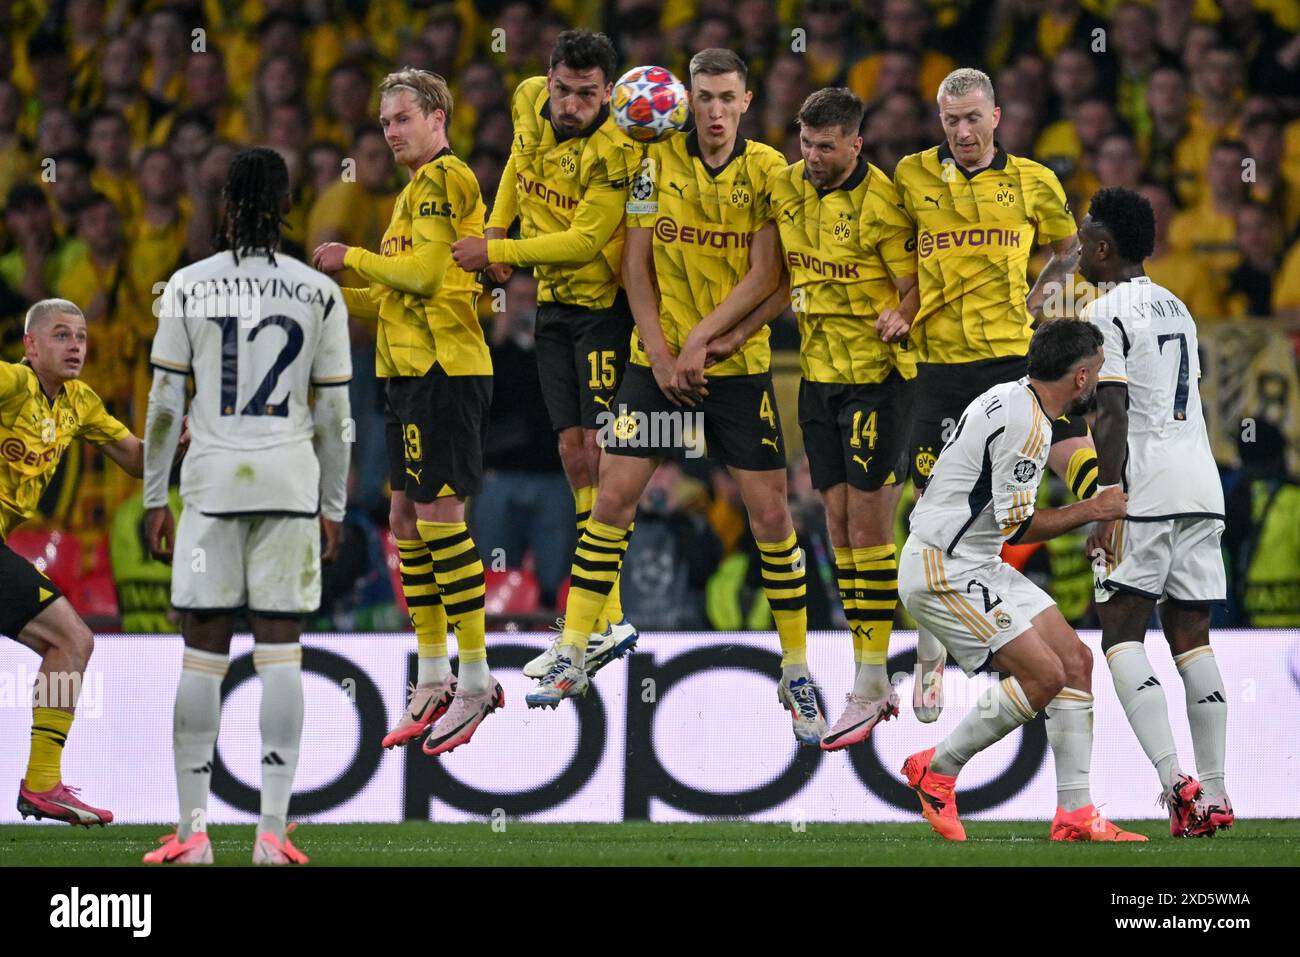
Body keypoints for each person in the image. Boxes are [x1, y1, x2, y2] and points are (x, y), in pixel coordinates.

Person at [526, 49, 827, 746]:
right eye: (705, 97)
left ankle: (796, 665)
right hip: (656, 365)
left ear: (747, 100)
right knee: (611, 496)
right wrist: (662, 353)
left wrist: (704, 348)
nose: (716, 110)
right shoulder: (651, 164)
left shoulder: (767, 175)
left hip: (738, 368)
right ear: (685, 100)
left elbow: (767, 276)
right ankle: (575, 646)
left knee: (772, 518)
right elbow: (636, 266)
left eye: (728, 97)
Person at [142, 147, 352, 865]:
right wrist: (333, 505)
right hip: (290, 484)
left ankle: (194, 831)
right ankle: (270, 832)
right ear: (289, 204)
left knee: (202, 653)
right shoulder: (319, 291)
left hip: (209, 486)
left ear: (226, 203)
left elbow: (167, 404)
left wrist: (152, 494)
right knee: (279, 649)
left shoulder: (187, 287)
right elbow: (335, 417)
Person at [888, 67, 1099, 723]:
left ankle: (1117, 548)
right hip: (943, 364)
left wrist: (1041, 298)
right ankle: (930, 651)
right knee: (934, 514)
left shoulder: (1034, 180)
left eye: (974, 117)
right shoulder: (911, 176)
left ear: (997, 116)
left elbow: (1071, 248)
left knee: (1075, 449)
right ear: (940, 121)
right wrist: (903, 308)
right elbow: (909, 259)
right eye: (951, 120)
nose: (963, 131)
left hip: (1013, 356)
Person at [313, 69, 502, 757]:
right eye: (385, 121)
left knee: (438, 517)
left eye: (401, 118)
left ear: (437, 116)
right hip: (407, 377)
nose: (390, 131)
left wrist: (352, 256)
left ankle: (477, 678)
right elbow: (397, 297)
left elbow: (424, 277)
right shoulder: (408, 197)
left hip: (445, 373)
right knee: (403, 519)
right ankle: (432, 672)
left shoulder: (446, 181)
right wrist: (331, 294)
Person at [897, 319, 1143, 843]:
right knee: (1044, 676)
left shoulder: (1011, 396)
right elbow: (1019, 526)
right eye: (1096, 371)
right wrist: (1093, 509)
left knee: (1075, 662)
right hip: (945, 568)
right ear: (1080, 378)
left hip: (976, 561)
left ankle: (1075, 814)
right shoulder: (1028, 427)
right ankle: (937, 769)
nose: (1097, 382)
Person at [450, 30, 642, 679]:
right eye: (563, 88)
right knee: (573, 449)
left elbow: (588, 239)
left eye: (588, 94)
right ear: (549, 78)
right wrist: (498, 225)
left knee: (602, 451)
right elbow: (516, 165)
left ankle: (596, 618)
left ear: (608, 93)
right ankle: (604, 616)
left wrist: (498, 253)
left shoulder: (619, 147)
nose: (570, 103)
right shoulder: (528, 99)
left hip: (602, 306)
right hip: (556, 307)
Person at [768, 87, 919, 750]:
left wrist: (903, 309)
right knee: (834, 525)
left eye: (826, 146)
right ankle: (871, 666)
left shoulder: (884, 204)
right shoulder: (786, 185)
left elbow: (920, 278)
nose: (813, 156)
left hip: (876, 380)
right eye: (806, 142)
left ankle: (872, 673)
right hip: (817, 378)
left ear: (856, 143)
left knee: (867, 524)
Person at [1081, 186, 1233, 837]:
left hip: (1144, 491)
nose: (1079, 249)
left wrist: (1106, 498)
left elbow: (1112, 411)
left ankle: (1177, 783)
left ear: (1105, 248)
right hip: (1201, 485)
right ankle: (1218, 791)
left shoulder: (1107, 312)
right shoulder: (1178, 305)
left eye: (1085, 239)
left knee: (1119, 631)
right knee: (1192, 635)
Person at [6, 298, 144, 826]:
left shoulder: (78, 402)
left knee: (70, 642)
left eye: (81, 338)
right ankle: (41, 782)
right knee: (73, 640)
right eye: (61, 336)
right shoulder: (12, 384)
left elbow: (133, 459)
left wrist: (178, 448)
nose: (75, 347)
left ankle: (43, 782)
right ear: (31, 346)